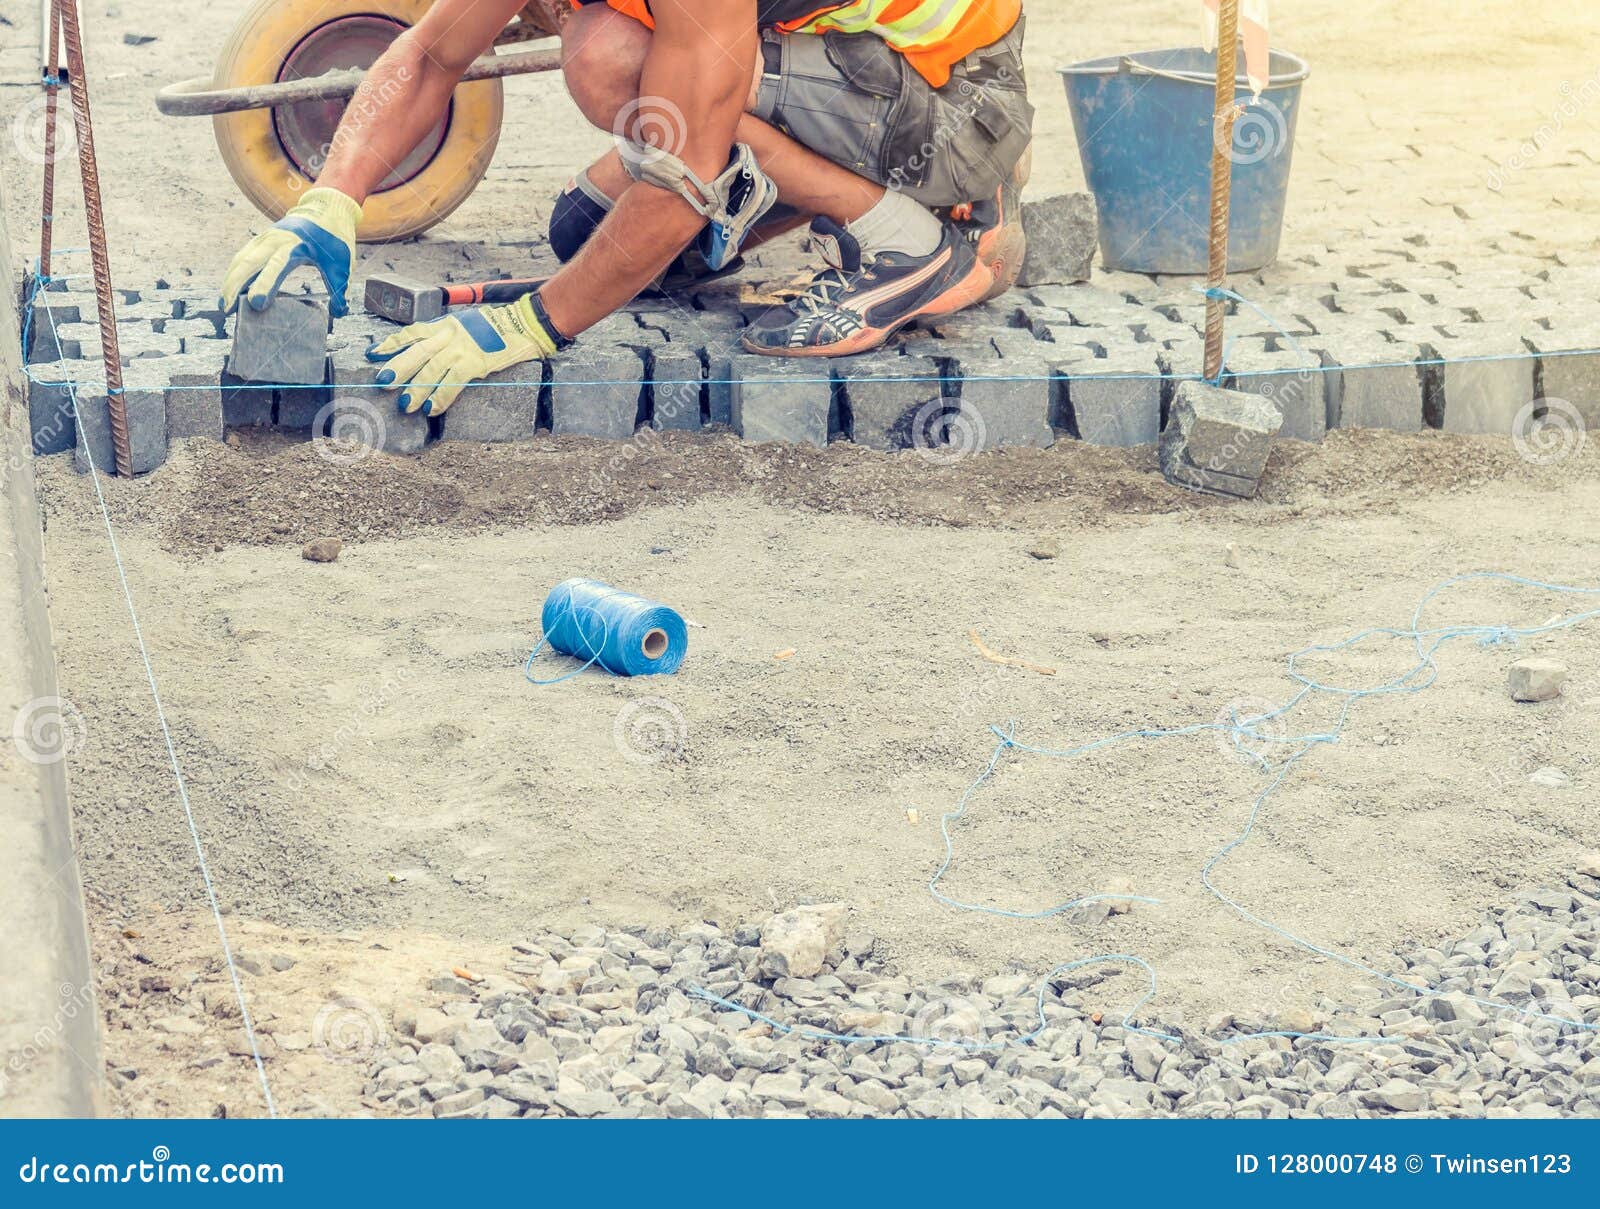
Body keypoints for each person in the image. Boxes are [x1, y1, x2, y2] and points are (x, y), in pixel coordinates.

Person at [220, 0, 1034, 417]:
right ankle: (828, 200)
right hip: (850, 68)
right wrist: (331, 199)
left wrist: (531, 326)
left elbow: (682, 179)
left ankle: (915, 235)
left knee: (612, 62)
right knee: (586, 229)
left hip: (955, 107)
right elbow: (432, 53)